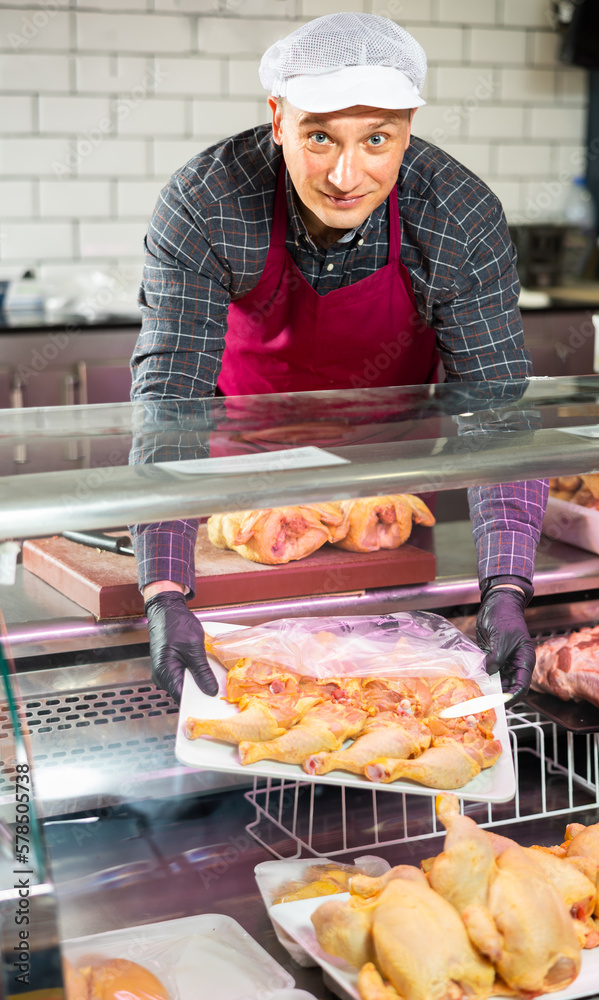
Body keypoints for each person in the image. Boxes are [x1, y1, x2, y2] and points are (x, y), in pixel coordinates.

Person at [130, 12, 548, 708]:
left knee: (379, 702)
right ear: (277, 119)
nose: (346, 175)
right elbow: (172, 400)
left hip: (382, 505)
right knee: (251, 705)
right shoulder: (206, 202)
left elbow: (495, 413)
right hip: (235, 499)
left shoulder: (458, 214)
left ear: (408, 129)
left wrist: (505, 587)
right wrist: (166, 589)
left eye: (377, 139)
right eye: (320, 136)